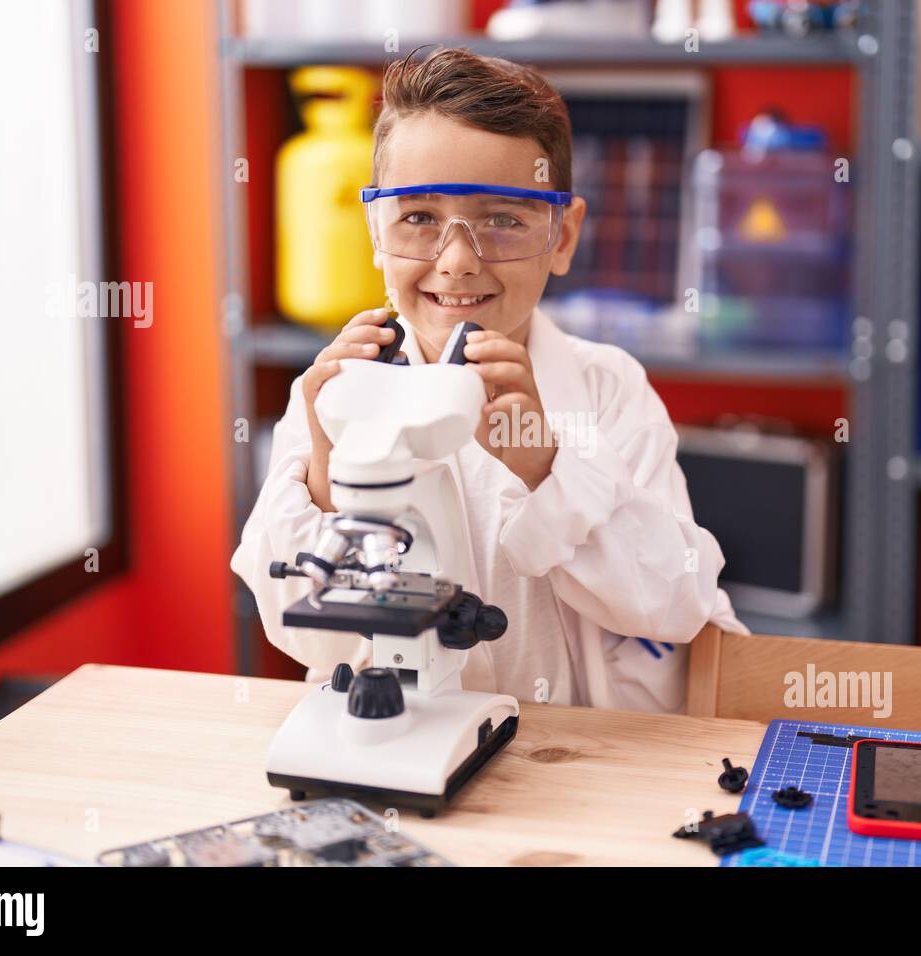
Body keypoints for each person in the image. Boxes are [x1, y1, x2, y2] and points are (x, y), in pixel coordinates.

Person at [231, 47, 745, 713]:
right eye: (419, 217)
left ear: (563, 236)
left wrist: (548, 468)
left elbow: (676, 603)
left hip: (579, 748)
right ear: (375, 230)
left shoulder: (607, 388)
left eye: (503, 219)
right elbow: (304, 631)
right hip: (408, 733)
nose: (457, 261)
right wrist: (328, 471)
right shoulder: (333, 391)